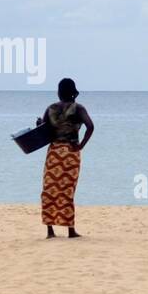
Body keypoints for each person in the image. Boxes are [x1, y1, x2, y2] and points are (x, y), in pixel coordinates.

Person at [37, 77, 94, 238]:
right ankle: (70, 230)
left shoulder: (51, 108)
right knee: (67, 191)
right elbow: (90, 126)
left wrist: (39, 124)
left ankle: (50, 231)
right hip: (70, 153)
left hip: (54, 153)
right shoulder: (78, 108)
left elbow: (43, 130)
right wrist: (81, 145)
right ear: (73, 91)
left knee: (49, 190)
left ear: (59, 91)